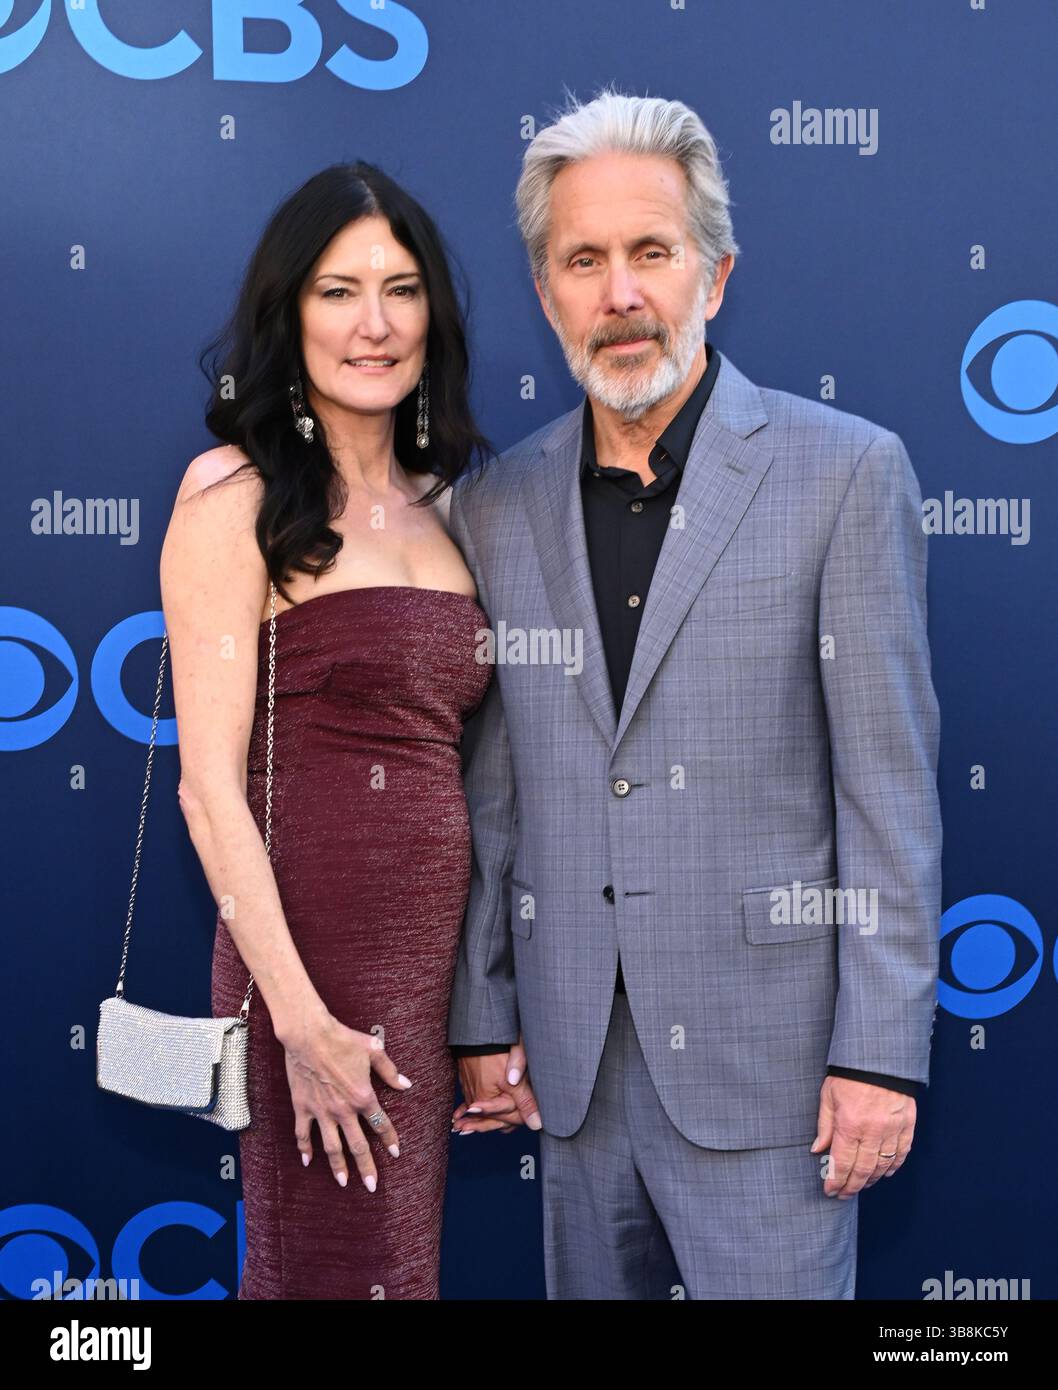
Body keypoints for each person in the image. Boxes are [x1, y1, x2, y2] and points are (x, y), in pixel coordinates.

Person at [446, 87, 942, 1300]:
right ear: (545, 292)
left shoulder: (844, 474)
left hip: (774, 1076)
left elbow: (885, 793)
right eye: (583, 260)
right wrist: (480, 1014)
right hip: (568, 1072)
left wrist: (880, 1056)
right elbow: (493, 793)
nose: (619, 293)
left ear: (714, 275)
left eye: (650, 252)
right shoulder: (494, 504)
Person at [160, 162, 495, 1299]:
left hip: (425, 974)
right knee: (329, 1269)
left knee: (398, 1270)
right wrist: (300, 1024)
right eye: (338, 291)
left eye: (401, 290)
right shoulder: (233, 495)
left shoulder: (449, 503)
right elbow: (207, 788)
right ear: (287, 312)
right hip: (304, 971)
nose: (374, 324)